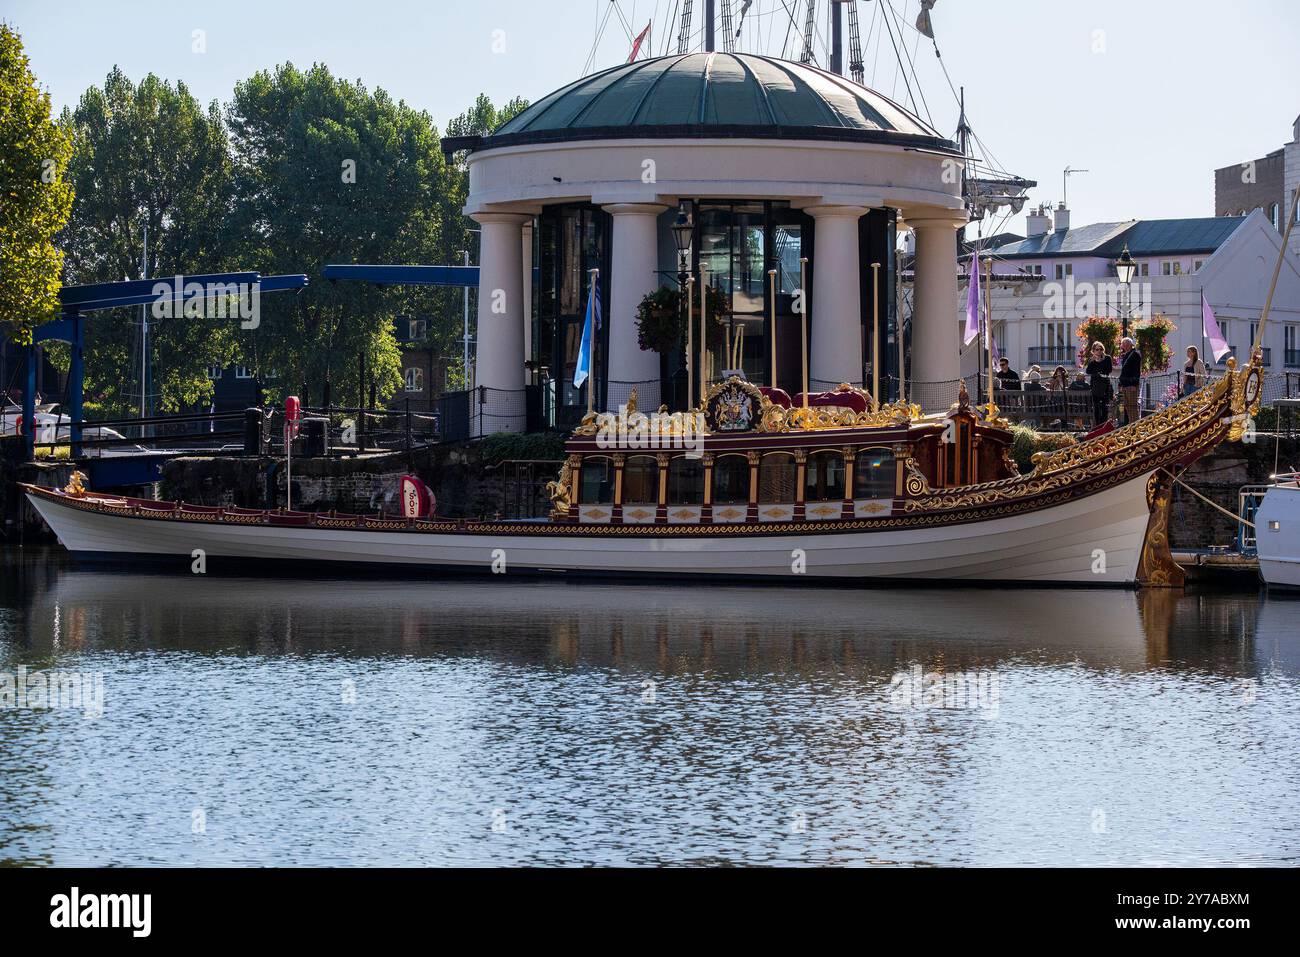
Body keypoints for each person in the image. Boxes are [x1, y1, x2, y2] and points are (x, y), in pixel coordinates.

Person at [1084, 341, 1114, 427]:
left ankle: (1104, 425)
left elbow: (1109, 370)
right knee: (1096, 407)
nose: (1099, 351)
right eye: (1097, 349)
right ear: (1093, 350)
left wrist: (1099, 366)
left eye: (1101, 349)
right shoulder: (1092, 360)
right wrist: (1094, 362)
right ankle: (1097, 426)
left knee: (1104, 406)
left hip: (1105, 385)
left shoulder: (1107, 358)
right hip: (1095, 386)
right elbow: (1088, 371)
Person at [1117, 336, 1143, 424]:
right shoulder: (1126, 355)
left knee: (1133, 406)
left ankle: (1135, 425)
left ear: (1130, 344)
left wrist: (1134, 384)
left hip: (1131, 385)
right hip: (1125, 385)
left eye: (1124, 344)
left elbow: (1136, 370)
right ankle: (1131, 424)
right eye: (1122, 344)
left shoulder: (1135, 354)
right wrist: (1120, 384)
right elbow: (1124, 371)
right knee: (1127, 407)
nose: (1122, 346)